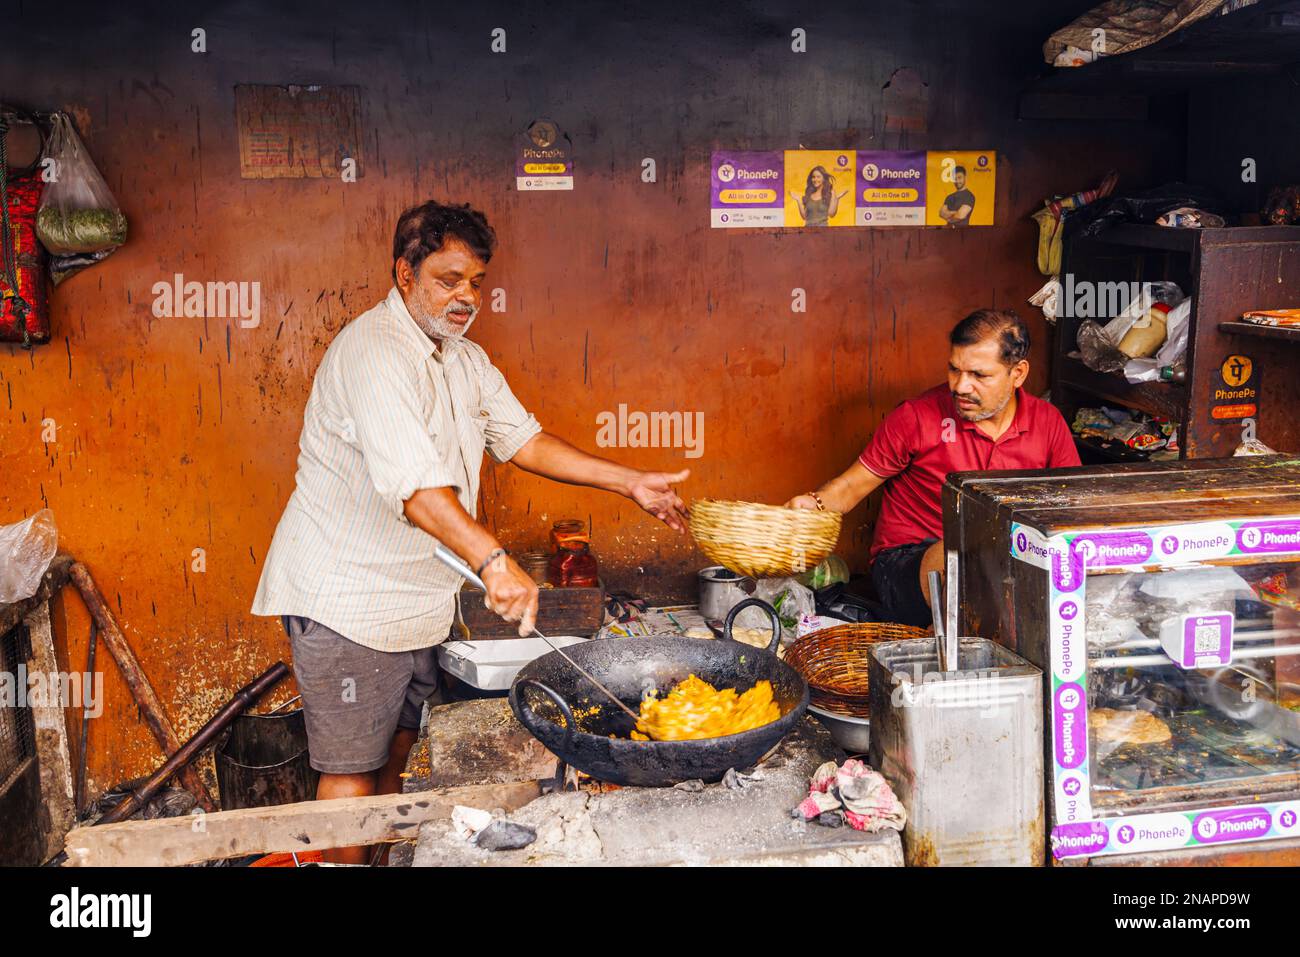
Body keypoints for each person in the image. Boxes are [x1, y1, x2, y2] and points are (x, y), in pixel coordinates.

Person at [251, 201, 689, 862]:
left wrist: (628, 480)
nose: (466, 296)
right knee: (349, 771)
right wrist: (493, 561)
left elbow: (527, 440)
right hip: (349, 602)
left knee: (400, 750)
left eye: (476, 282)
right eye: (447, 278)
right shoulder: (374, 353)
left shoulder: (464, 360)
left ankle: (379, 861)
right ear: (404, 274)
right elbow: (419, 493)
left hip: (419, 603)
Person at [786, 309, 1080, 627]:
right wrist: (812, 505)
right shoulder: (917, 417)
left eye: (979, 375)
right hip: (908, 565)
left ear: (1018, 373)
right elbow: (850, 486)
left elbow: (1072, 509)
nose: (961, 386)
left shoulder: (1047, 423)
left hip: (1008, 562)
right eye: (954, 370)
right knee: (964, 554)